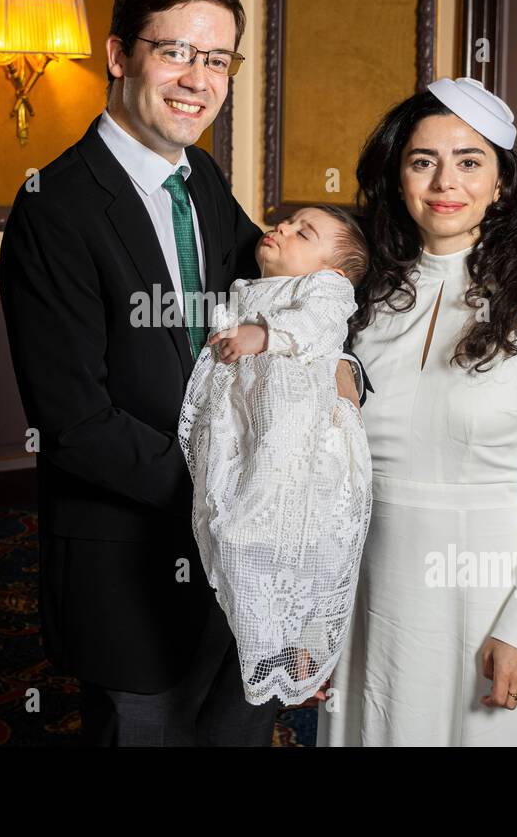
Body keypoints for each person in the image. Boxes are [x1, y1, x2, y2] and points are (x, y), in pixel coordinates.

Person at [0, 0, 360, 747]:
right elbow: (75, 421)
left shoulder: (200, 178)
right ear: (120, 55)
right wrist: (230, 496)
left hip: (233, 574)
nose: (199, 78)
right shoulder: (53, 208)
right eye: (176, 52)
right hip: (129, 564)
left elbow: (296, 293)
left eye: (217, 58)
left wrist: (343, 369)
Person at [317, 77, 517, 746]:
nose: (445, 180)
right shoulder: (354, 300)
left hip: (484, 596)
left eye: (469, 161)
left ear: (501, 183)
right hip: (371, 592)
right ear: (398, 179)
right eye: (423, 161)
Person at [178, 205, 372, 707]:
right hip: (249, 426)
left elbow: (321, 322)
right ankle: (262, 637)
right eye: (285, 222)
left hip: (298, 428)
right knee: (233, 526)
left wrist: (262, 336)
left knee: (301, 531)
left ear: (331, 270)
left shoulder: (324, 289)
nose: (281, 229)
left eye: (302, 232)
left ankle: (295, 643)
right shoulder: (246, 287)